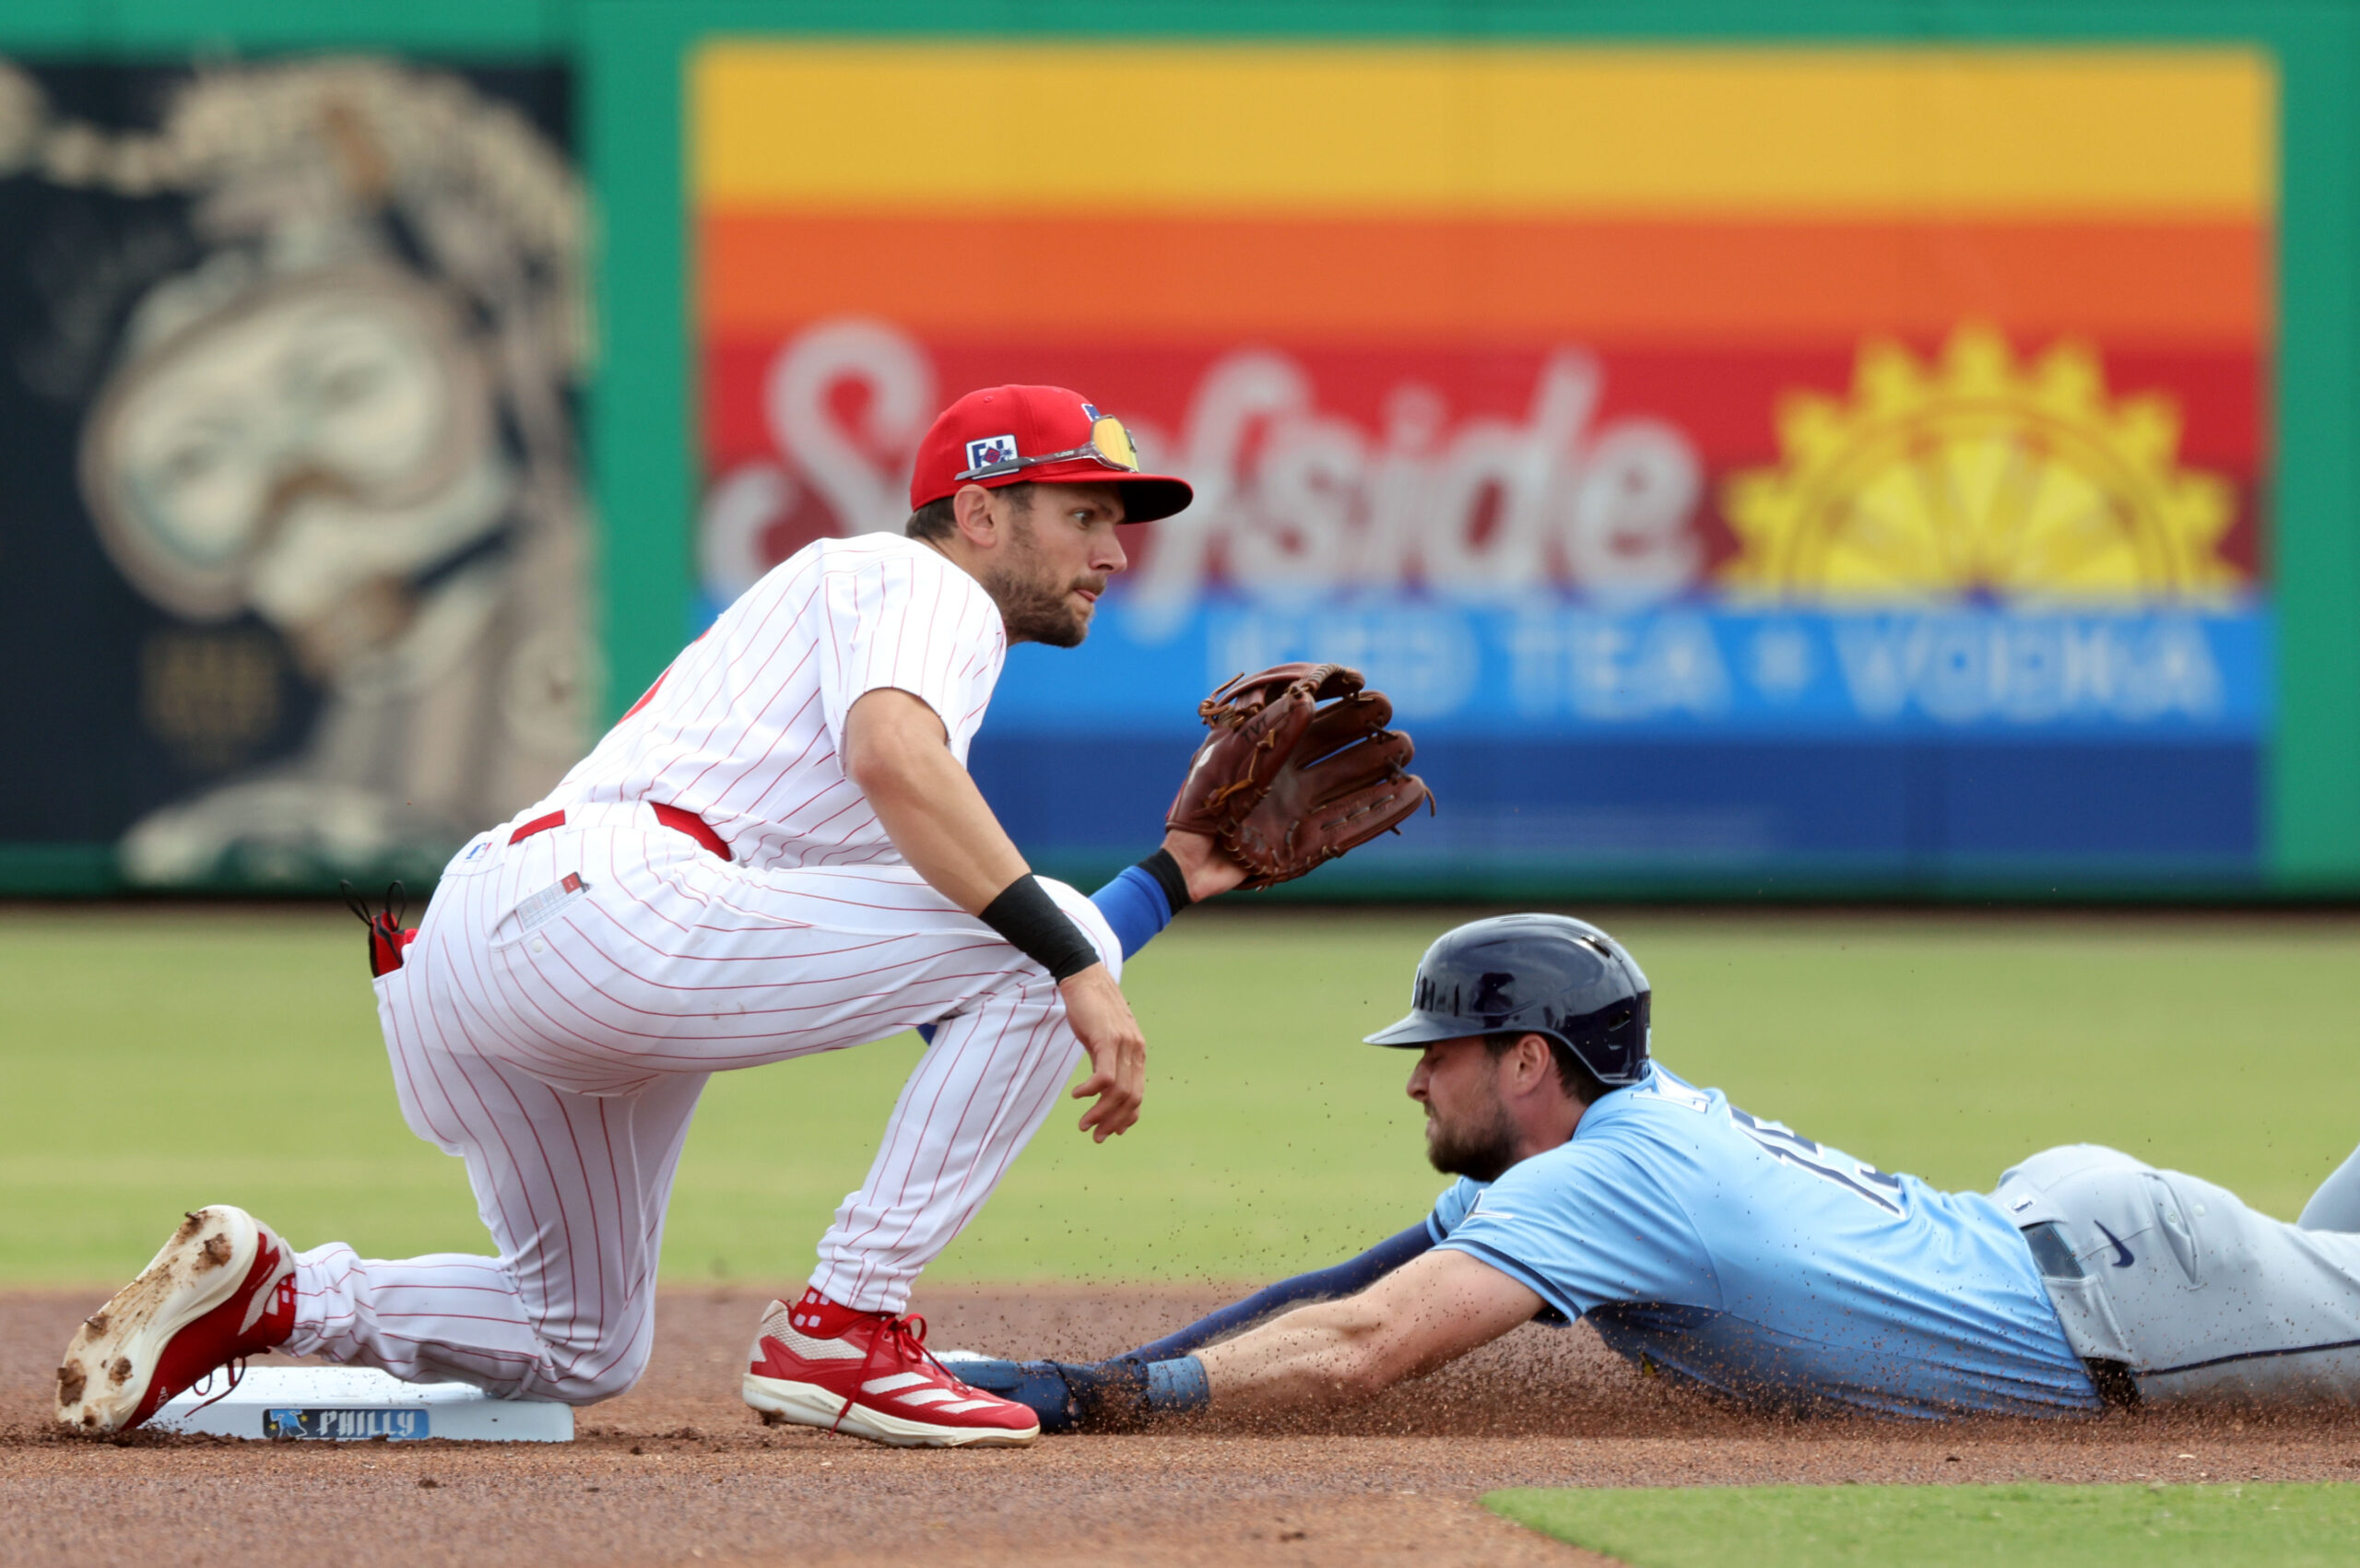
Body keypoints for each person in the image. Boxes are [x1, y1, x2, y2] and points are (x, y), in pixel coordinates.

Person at [56, 383, 1262, 1449]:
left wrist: (1170, 875)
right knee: (1044, 932)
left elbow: (967, 1008)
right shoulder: (917, 584)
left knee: (578, 1340)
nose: (1114, 552)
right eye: (1087, 515)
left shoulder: (849, 634)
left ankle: (275, 1291)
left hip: (487, 946)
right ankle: (846, 1322)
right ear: (985, 511)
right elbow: (908, 773)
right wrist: (1076, 962)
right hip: (616, 907)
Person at [960, 914, 2360, 1428]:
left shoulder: (1602, 1185)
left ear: (1526, 1062)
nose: (1411, 1073)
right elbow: (1351, 1279)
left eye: (1438, 1048)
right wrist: (1115, 1368)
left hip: (2132, 1308)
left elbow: (1365, 1346)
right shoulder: (1611, 1133)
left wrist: (1098, 1402)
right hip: (2074, 1241)